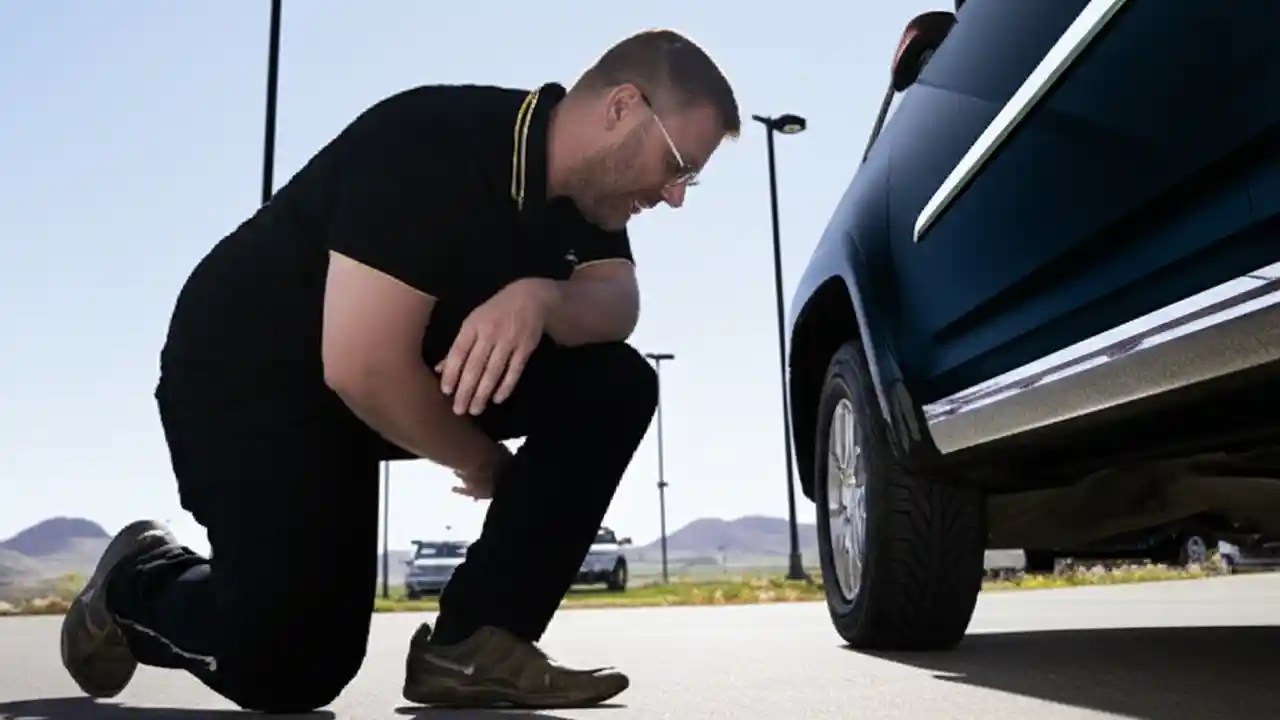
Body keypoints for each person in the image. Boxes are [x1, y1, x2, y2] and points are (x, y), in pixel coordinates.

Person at [58, 28, 739, 713]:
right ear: (623, 106)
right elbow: (363, 367)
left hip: (382, 377)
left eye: (691, 177)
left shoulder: (587, 198)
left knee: (615, 384)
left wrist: (541, 298)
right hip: (246, 378)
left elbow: (618, 304)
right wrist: (484, 463)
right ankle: (134, 585)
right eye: (678, 164)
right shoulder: (434, 143)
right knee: (290, 668)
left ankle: (475, 644)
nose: (676, 194)